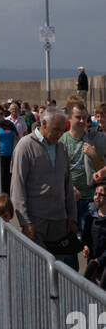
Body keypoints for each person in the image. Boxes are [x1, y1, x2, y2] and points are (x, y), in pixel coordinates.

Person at [10, 108, 77, 258]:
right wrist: (25, 221)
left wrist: (72, 217)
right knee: (38, 269)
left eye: (62, 130)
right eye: (56, 130)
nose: (60, 134)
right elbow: (17, 185)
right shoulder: (25, 146)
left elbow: (67, 184)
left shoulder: (61, 147)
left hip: (60, 222)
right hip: (36, 221)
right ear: (44, 123)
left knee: (58, 269)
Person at [61, 100, 106, 238]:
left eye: (84, 118)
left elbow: (102, 171)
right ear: (69, 117)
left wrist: (94, 157)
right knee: (70, 241)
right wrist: (69, 187)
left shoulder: (97, 138)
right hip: (70, 200)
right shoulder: (61, 141)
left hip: (91, 199)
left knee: (91, 243)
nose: (82, 121)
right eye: (78, 117)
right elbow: (55, 171)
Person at [81, 185, 106, 287]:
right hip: (92, 264)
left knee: (102, 294)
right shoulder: (90, 217)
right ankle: (92, 304)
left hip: (103, 265)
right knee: (91, 297)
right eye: (95, 194)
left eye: (101, 195)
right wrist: (85, 247)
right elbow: (85, 237)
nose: (96, 197)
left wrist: (99, 260)